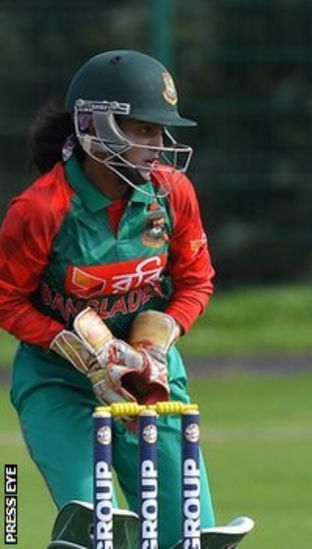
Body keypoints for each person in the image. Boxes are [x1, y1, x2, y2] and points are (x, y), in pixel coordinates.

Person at [0, 50, 218, 545]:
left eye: (160, 132)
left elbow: (196, 281)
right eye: (142, 129)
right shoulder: (41, 209)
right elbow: (7, 299)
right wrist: (77, 348)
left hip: (150, 376)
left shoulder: (172, 193)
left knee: (188, 532)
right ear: (93, 125)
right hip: (61, 379)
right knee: (95, 523)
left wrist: (159, 341)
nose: (157, 145)